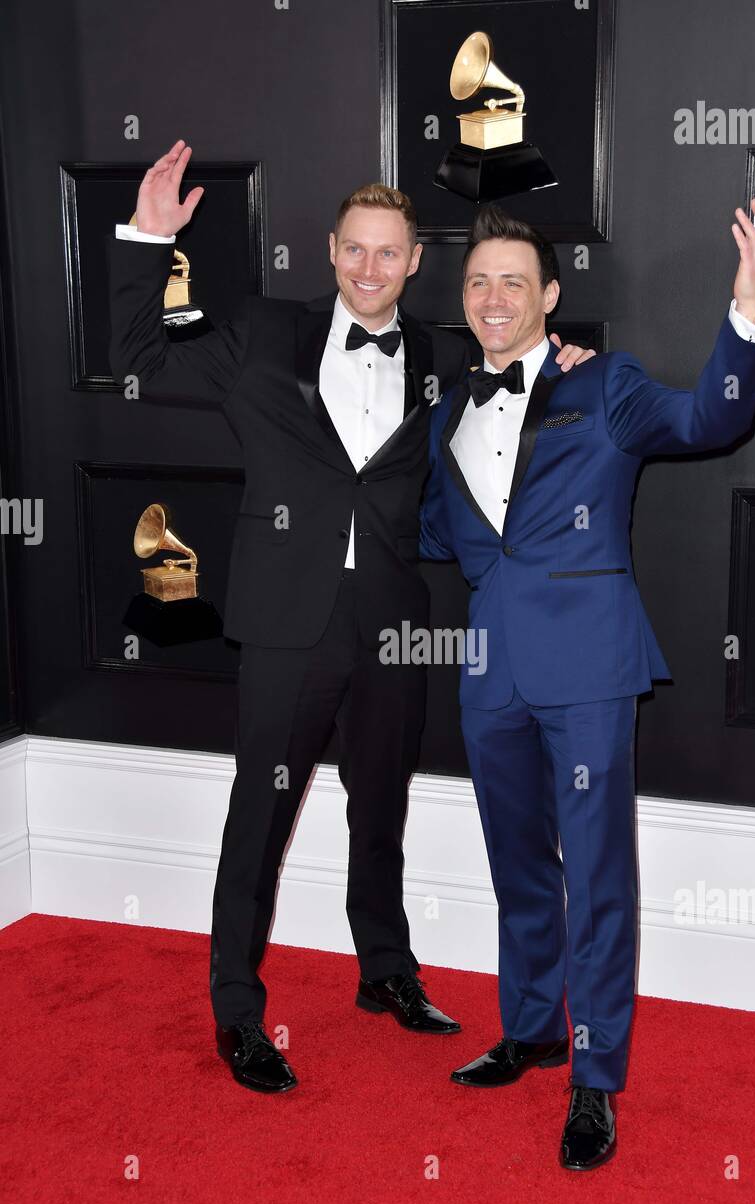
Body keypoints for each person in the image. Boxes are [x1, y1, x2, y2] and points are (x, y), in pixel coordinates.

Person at [107, 141, 593, 1096]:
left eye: (391, 254)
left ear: (415, 265)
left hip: (390, 624)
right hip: (285, 623)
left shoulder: (449, 359)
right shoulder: (259, 334)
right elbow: (133, 355)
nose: (371, 269)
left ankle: (385, 971)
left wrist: (560, 356)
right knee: (261, 817)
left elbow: (522, 369)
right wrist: (146, 239)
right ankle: (238, 1014)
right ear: (331, 252)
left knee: (381, 809)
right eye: (355, 250)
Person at [419, 196, 755, 1169]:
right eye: (476, 282)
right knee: (518, 867)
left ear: (549, 295)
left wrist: (744, 308)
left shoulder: (605, 382)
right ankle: (531, 1028)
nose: (492, 297)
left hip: (585, 666)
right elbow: (432, 534)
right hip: (488, 669)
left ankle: (592, 1076)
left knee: (597, 874)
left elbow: (711, 418)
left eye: (511, 281)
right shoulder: (444, 409)